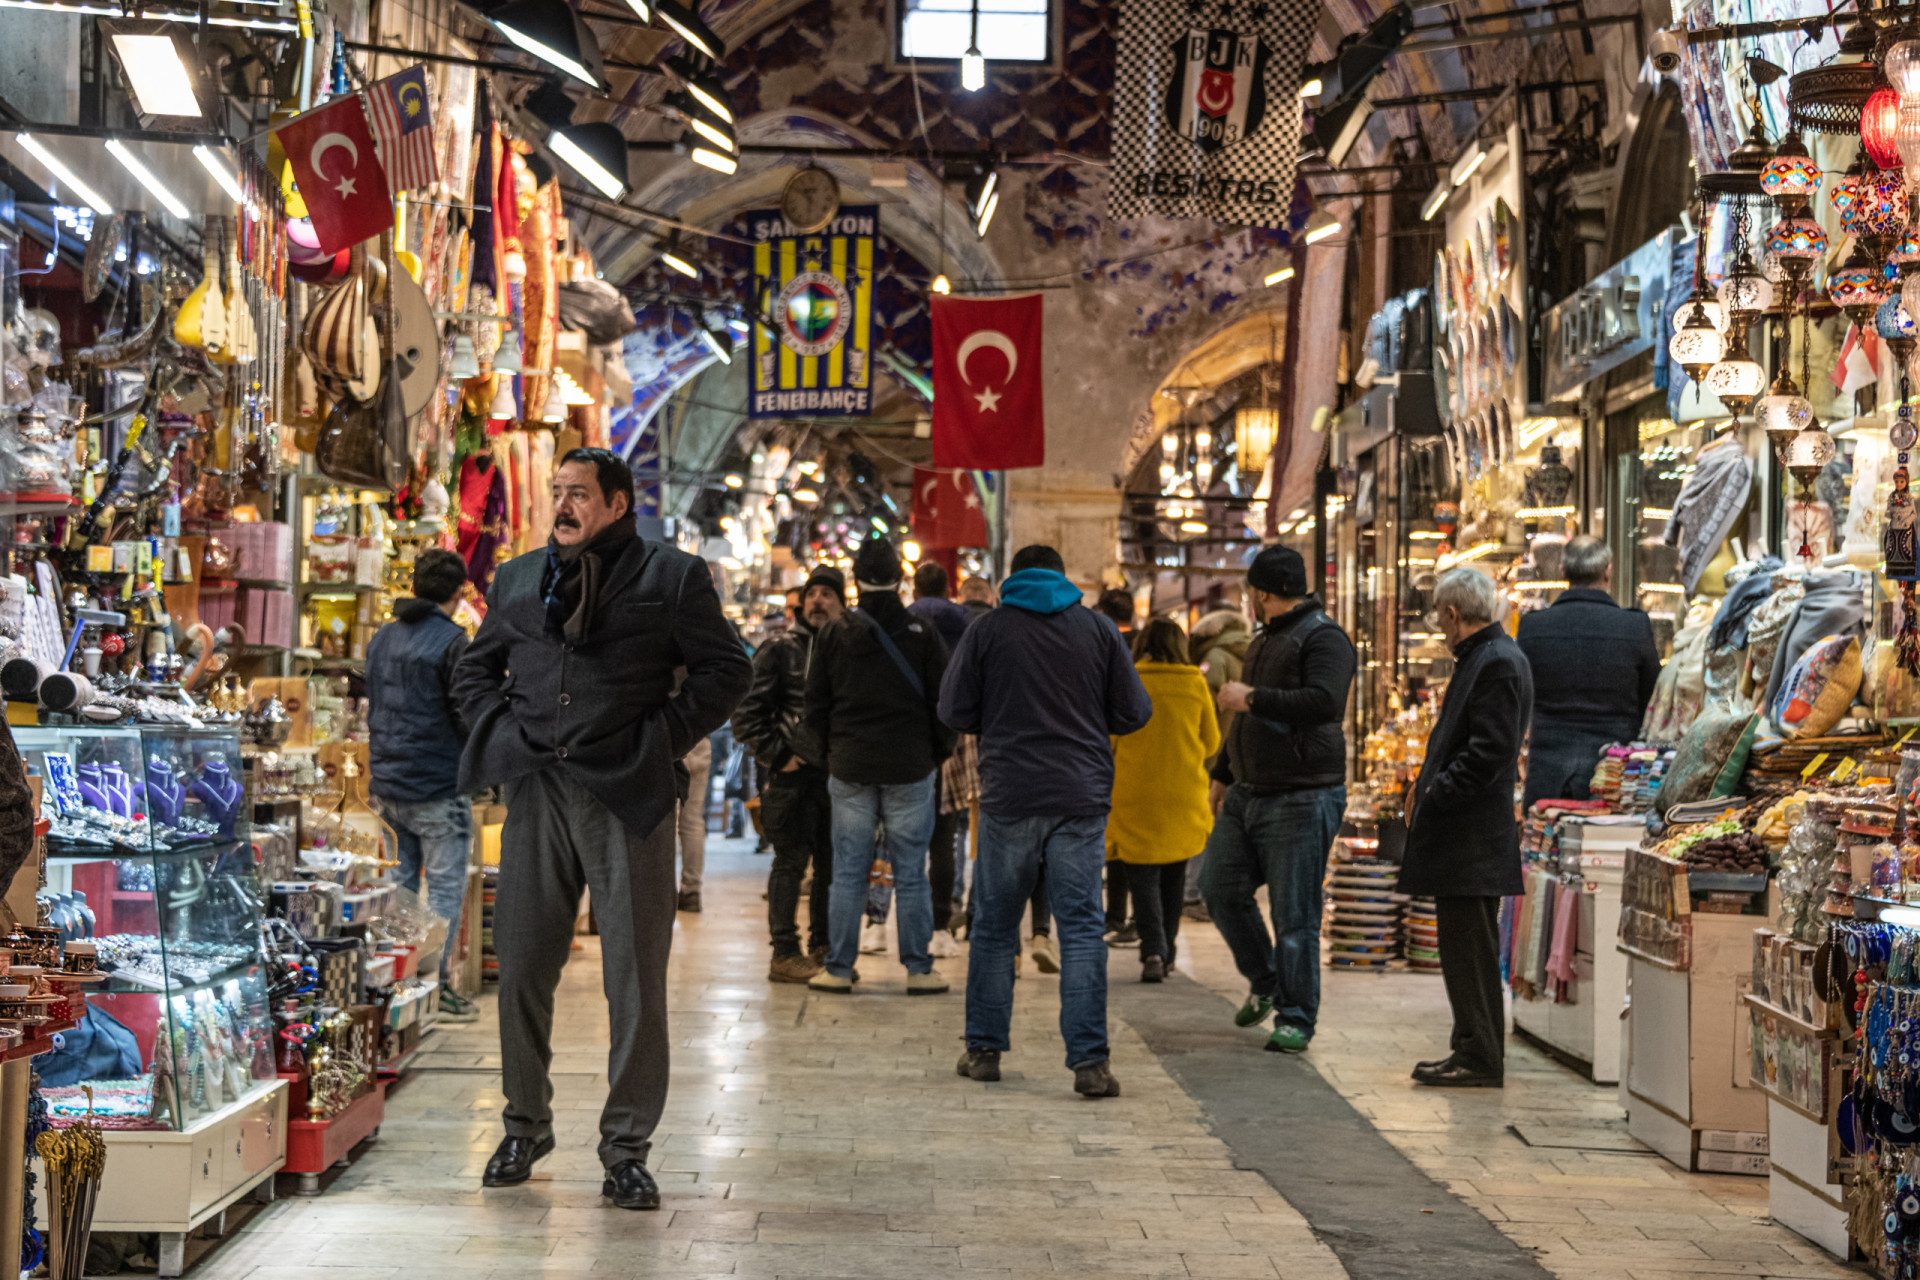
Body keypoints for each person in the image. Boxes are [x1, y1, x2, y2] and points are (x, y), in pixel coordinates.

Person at [455, 447, 752, 1208]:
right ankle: (524, 1125)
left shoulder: (672, 576)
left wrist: (662, 735)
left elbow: (728, 669)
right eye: (558, 491)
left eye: (578, 493)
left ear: (617, 504)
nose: (563, 504)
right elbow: (474, 670)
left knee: (634, 978)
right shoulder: (519, 577)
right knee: (520, 964)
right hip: (539, 793)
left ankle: (625, 1149)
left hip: (627, 793)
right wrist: (502, 731)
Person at [941, 544, 1152, 1098]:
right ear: (1063, 578)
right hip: (1080, 796)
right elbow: (1134, 712)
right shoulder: (1100, 631)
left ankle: (984, 1050)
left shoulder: (987, 631)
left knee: (993, 924)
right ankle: (1089, 1063)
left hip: (1010, 793)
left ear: (1012, 579)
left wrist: (999, 712)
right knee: (1081, 928)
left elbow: (953, 710)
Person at [1199, 544, 1356, 1054]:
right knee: (1218, 887)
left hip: (1302, 796)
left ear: (1261, 592)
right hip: (1248, 791)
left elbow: (1326, 703)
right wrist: (1223, 773)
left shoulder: (1325, 637)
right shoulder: (1265, 639)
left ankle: (1296, 1016)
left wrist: (1252, 697)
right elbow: (1245, 721)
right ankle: (1266, 980)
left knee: (1294, 916)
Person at [803, 534, 956, 995]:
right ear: (900, 578)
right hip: (910, 766)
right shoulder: (922, 635)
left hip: (850, 765)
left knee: (848, 870)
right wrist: (936, 754)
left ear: (856, 580)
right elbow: (943, 703)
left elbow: (816, 707)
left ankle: (838, 967)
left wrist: (833, 753)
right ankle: (918, 967)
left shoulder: (833, 635)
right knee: (911, 870)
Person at [1400, 566, 1534, 1089]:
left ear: (1452, 614)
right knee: (1462, 947)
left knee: (1469, 950)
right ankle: (1470, 1047)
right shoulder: (1486, 659)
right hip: (1467, 833)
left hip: (1471, 834)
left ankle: (1478, 1056)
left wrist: (1437, 792)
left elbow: (1490, 752)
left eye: (1439, 615)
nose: (1440, 624)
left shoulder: (1495, 662)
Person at [366, 548, 479, 1023]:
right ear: (458, 594)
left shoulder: (383, 637)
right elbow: (466, 711)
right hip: (437, 783)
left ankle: (401, 983)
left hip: (388, 783)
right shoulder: (453, 641)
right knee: (446, 891)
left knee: (400, 889)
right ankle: (437, 984)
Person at [732, 565, 845, 982]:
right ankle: (784, 951)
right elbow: (746, 711)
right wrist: (780, 757)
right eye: (812, 593)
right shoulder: (780, 649)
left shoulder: (849, 647)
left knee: (831, 869)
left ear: (841, 603)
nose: (817, 600)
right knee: (790, 863)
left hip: (837, 778)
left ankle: (824, 947)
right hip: (791, 778)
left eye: (827, 594)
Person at [1108, 618, 1220, 983]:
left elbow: (1109, 739)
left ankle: (1153, 950)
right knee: (1174, 874)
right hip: (1183, 792)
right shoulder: (1194, 682)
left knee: (1140, 876)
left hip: (1134, 791)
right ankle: (1167, 951)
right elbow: (1212, 741)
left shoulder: (1127, 680)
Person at [1514, 537, 1660, 809]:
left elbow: (1520, 698)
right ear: (1608, 570)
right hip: (1613, 779)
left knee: (1544, 848)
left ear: (1562, 572)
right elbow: (1650, 699)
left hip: (1547, 776)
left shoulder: (1533, 627)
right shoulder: (1634, 626)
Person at [909, 560, 973, 957]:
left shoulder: (903, 622)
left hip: (909, 738)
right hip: (954, 737)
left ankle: (890, 922)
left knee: (900, 839)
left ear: (915, 588)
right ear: (949, 588)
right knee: (944, 839)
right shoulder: (965, 622)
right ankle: (939, 919)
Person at [1183, 606, 1252, 920]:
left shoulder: (1215, 657)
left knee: (1201, 820)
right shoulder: (1246, 654)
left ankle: (1190, 892)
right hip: (1237, 751)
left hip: (1211, 753)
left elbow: (1204, 706)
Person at [674, 735, 710, 913]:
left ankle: (663, 888)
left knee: (668, 822)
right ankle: (692, 892)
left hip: (668, 742)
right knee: (693, 820)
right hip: (699, 741)